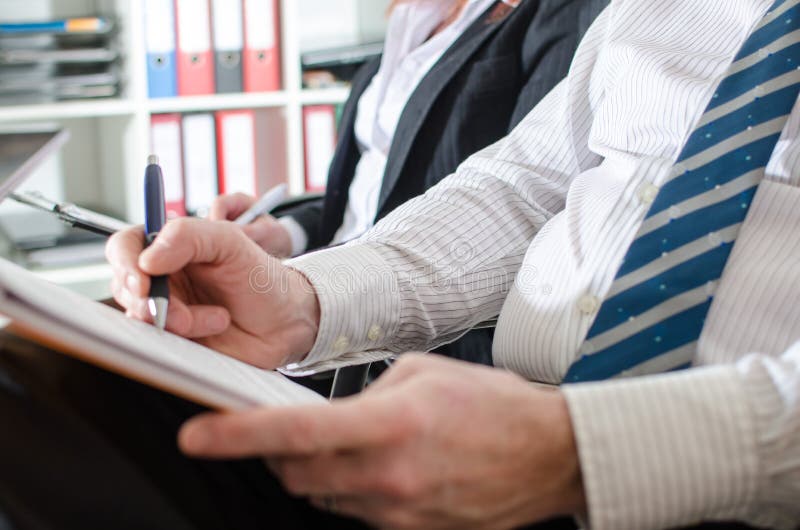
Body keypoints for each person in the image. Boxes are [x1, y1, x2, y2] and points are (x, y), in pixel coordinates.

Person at [3, 1, 800, 530]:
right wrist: (303, 297)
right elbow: (520, 190)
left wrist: (579, 449)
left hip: (718, 477)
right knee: (34, 380)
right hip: (494, 440)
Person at [211, 0, 607, 371]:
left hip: (417, 342)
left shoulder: (558, 12)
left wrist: (312, 298)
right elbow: (374, 188)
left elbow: (531, 187)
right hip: (334, 289)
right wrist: (286, 233)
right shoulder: (411, 18)